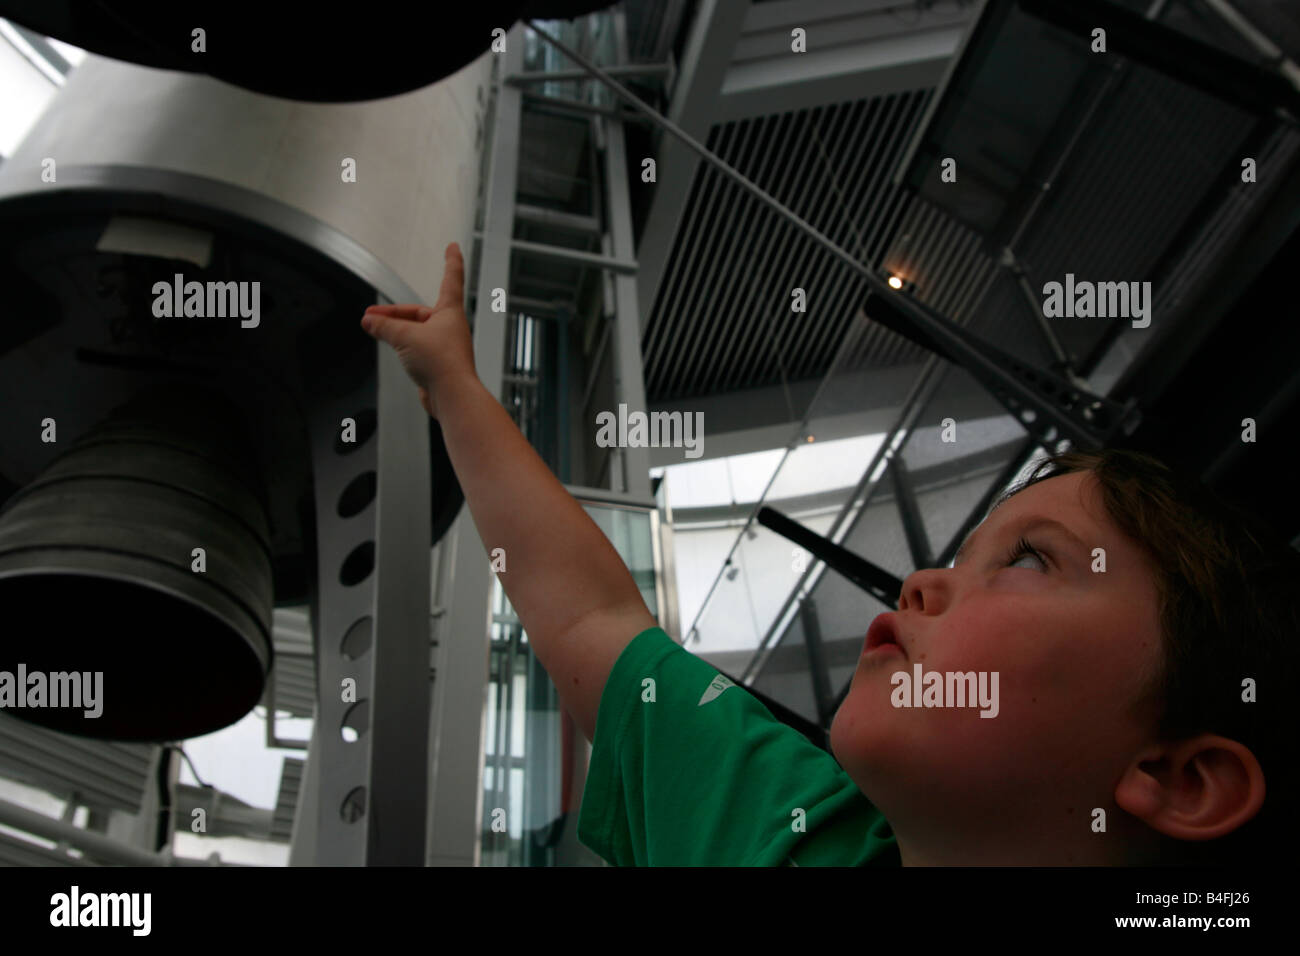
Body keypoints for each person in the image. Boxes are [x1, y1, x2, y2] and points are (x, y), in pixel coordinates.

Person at [360, 242, 1296, 866]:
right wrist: (453, 386)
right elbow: (590, 615)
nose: (926, 581)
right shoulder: (793, 829)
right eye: (960, 557)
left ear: (1183, 780)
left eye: (1029, 561)